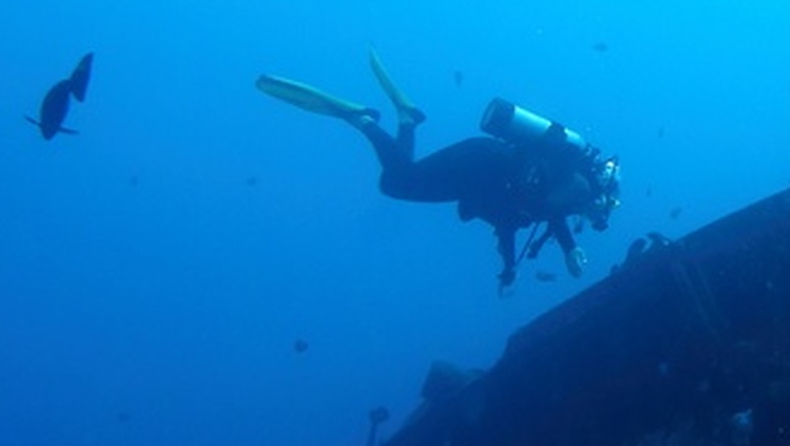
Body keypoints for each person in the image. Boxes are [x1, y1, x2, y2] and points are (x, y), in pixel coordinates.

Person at [256, 49, 621, 290]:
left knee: (397, 182)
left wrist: (508, 270)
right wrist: (569, 249)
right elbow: (553, 211)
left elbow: (509, 223)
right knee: (399, 182)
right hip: (482, 164)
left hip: (479, 171)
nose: (599, 216)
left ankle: (404, 119)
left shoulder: (553, 194)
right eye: (608, 209)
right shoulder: (579, 187)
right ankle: (364, 120)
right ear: (604, 194)